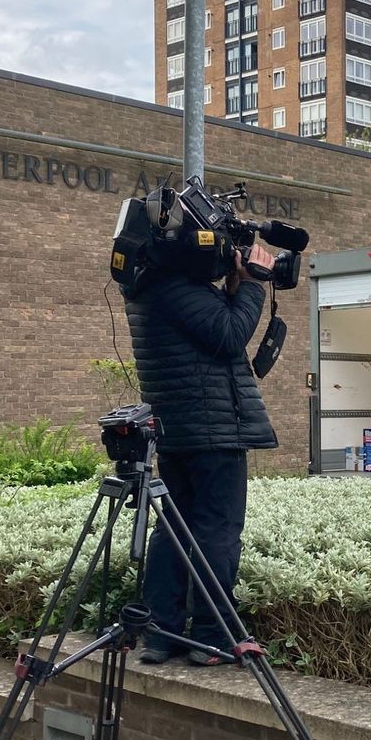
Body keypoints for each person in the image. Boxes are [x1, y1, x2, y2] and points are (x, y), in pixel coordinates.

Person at [123, 240, 278, 664]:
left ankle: (160, 633)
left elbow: (207, 335)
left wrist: (231, 289)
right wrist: (251, 285)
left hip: (180, 431)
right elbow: (229, 336)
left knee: (173, 531)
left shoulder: (150, 284)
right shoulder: (177, 287)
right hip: (212, 431)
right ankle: (211, 637)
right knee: (216, 531)